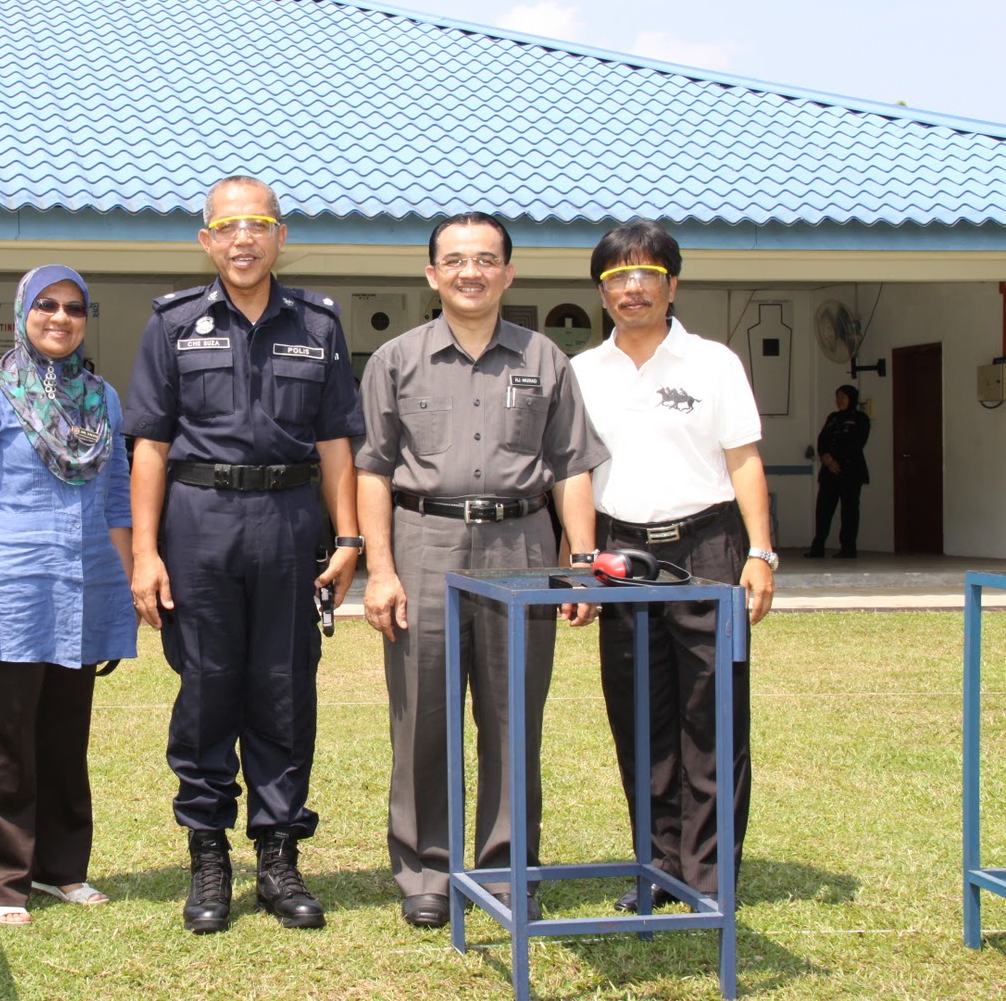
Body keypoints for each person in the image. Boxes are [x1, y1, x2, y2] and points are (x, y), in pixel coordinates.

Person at [124, 175, 363, 933]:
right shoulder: (172, 324)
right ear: (207, 239)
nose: (244, 239)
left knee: (286, 685)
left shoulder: (319, 324)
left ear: (280, 234)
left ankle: (278, 853)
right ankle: (208, 856)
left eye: (259, 223)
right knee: (207, 685)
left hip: (293, 522)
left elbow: (336, 443)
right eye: (228, 227)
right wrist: (145, 554)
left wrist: (350, 534)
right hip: (199, 523)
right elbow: (151, 447)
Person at [356, 213, 608, 928]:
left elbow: (570, 466)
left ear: (509, 272)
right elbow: (371, 470)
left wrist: (581, 561)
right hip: (423, 543)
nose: (472, 271)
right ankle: (426, 870)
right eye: (456, 260)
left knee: (512, 715)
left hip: (521, 548)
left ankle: (503, 868)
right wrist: (380, 568)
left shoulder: (545, 359)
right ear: (431, 273)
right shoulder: (396, 360)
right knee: (421, 714)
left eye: (487, 259)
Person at [569, 219, 776, 912]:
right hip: (620, 555)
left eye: (647, 274)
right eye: (617, 276)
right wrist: (580, 564)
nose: (633, 287)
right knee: (638, 714)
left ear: (672, 284)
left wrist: (761, 551)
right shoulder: (582, 372)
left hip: (708, 546)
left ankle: (710, 873)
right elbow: (571, 474)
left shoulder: (713, 362)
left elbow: (744, 458)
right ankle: (655, 865)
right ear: (601, 292)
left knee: (711, 711)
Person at [0, 265, 137, 926]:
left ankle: (60, 868)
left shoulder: (103, 399)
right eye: (46, 305)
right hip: (9, 589)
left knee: (64, 736)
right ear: (22, 312)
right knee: (6, 738)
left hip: (84, 588)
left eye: (74, 308)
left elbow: (116, 500)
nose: (60, 317)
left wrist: (127, 577)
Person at [805, 384, 870, 558]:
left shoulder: (861, 419)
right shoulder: (832, 418)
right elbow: (822, 439)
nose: (839, 400)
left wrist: (837, 460)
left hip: (850, 472)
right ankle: (818, 547)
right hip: (829, 473)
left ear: (851, 399)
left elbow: (857, 443)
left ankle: (848, 548)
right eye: (837, 396)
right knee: (823, 510)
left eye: (843, 397)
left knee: (849, 511)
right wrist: (826, 458)